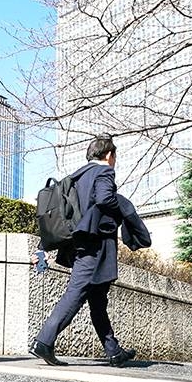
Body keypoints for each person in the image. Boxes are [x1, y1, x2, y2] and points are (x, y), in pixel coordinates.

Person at [30, 135, 140, 367]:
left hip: (78, 242)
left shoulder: (77, 176)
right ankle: (44, 341)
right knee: (76, 292)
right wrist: (122, 207)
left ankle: (113, 351)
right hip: (95, 245)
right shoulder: (104, 172)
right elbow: (104, 199)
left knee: (98, 300)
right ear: (109, 155)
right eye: (114, 156)